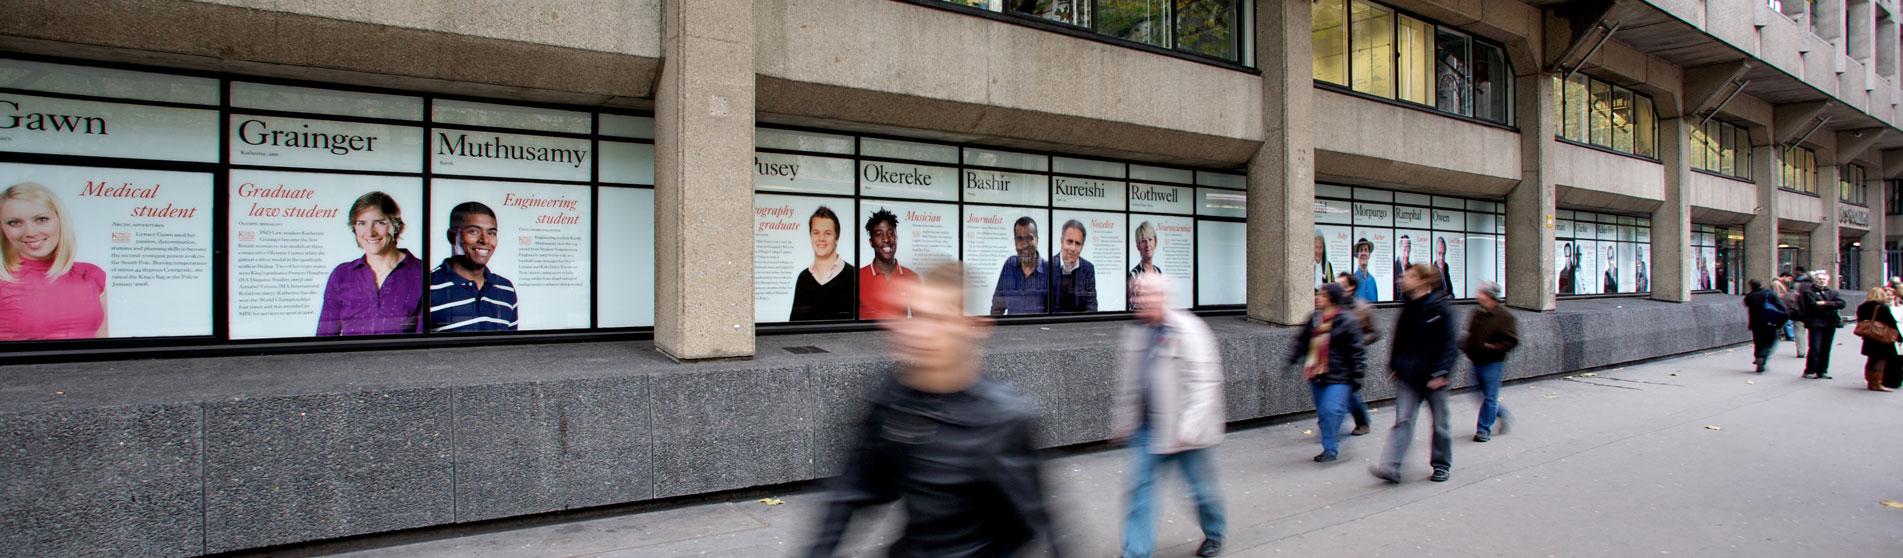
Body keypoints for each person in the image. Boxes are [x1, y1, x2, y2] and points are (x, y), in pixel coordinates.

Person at [807, 263, 1061, 558]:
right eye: (920, 316)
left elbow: (1036, 521)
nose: (924, 333)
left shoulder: (1003, 418)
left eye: (939, 318)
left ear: (973, 327)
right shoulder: (894, 401)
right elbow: (851, 493)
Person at [1114, 273, 1226, 558]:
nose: (1139, 301)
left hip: (1184, 432)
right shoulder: (1137, 332)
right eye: (1136, 295)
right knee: (1140, 492)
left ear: (1162, 297)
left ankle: (1214, 533)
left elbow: (1204, 384)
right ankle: (1136, 553)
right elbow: (1131, 382)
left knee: (1201, 490)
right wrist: (1125, 420)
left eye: (1146, 295)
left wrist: (1187, 428)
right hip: (1147, 429)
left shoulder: (1188, 329)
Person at [1370, 264, 1457, 484]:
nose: (1402, 279)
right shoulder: (1408, 308)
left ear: (1422, 281)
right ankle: (1391, 467)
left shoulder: (1440, 308)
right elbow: (1398, 341)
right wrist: (1395, 367)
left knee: (1440, 424)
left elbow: (1449, 344)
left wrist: (1442, 372)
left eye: (1408, 276)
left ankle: (1441, 465)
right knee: (1403, 421)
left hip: (1434, 377)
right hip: (1409, 376)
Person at [0, 182, 107, 340]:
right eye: (14, 223)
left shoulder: (91, 275)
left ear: (60, 219)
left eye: (41, 219)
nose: (30, 232)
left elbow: (104, 347)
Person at [318, 191, 424, 336]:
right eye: (362, 223)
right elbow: (325, 337)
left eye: (380, 223)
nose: (370, 233)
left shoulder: (422, 273)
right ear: (354, 228)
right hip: (350, 358)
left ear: (396, 225)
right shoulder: (341, 275)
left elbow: (422, 342)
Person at [1289, 283, 1365, 463]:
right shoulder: (1315, 318)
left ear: (1331, 298)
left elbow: (1357, 351)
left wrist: (1357, 375)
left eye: (1322, 295)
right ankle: (1330, 443)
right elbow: (1302, 341)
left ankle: (1330, 449)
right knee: (1324, 413)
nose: (1317, 297)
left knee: (1330, 410)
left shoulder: (1347, 320)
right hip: (1316, 374)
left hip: (1340, 375)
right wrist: (1292, 359)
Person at [429, 202, 518, 332]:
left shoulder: (505, 288)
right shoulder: (427, 287)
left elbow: (512, 348)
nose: (485, 240)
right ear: (452, 236)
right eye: (474, 231)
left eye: (491, 233)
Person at [1462, 281, 1518, 442]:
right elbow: (1471, 334)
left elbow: (1512, 340)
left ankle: (1483, 430)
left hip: (1493, 362)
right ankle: (1502, 414)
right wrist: (1466, 347)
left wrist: (1493, 347)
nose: (1477, 295)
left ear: (1488, 295)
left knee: (1490, 397)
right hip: (1476, 360)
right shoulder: (1477, 313)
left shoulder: (1505, 316)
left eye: (1480, 292)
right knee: (1479, 393)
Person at [789, 206, 855, 321]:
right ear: (810, 236)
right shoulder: (803, 278)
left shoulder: (854, 276)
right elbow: (794, 327)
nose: (821, 239)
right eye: (816, 233)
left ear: (837, 238)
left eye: (828, 233)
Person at [1333, 272, 1377, 436]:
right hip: (1335, 356)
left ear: (1351, 288)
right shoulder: (1334, 306)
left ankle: (1362, 421)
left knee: (1349, 392)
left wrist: (1359, 341)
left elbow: (1376, 332)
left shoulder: (1362, 307)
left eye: (1342, 285)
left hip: (1352, 357)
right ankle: (1330, 425)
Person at [858, 209, 918, 320]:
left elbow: (921, 324)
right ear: (871, 242)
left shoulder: (912, 278)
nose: (886, 239)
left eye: (891, 233)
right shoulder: (857, 278)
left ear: (897, 238)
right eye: (879, 234)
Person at [991, 216, 1050, 315]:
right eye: (1020, 239)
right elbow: (997, 308)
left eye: (1030, 238)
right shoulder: (1009, 266)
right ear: (1015, 241)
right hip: (1012, 330)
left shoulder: (1049, 270)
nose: (1025, 244)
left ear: (1037, 240)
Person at [1798, 270, 1846, 379]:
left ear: (1827, 281)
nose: (1821, 281)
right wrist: (1831, 305)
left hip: (1830, 323)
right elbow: (1813, 306)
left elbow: (1841, 303)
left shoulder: (1833, 292)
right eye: (1819, 279)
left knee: (1826, 348)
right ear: (1815, 280)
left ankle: (1822, 371)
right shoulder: (1808, 292)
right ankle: (1810, 370)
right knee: (1815, 347)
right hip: (1815, 323)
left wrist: (1825, 303)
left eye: (1823, 279)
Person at [1855, 286, 1899, 391]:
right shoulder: (1882, 307)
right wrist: (1899, 336)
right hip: (1881, 337)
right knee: (1881, 359)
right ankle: (1877, 383)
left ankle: (1870, 382)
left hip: (1869, 336)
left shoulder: (1862, 307)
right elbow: (1891, 322)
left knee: (1871, 359)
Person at [1743, 279, 1788, 374]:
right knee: (1770, 342)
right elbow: (1782, 308)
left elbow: (1746, 304)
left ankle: (1758, 357)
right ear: (1762, 284)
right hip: (1770, 323)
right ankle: (1762, 357)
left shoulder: (1750, 296)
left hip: (1755, 323)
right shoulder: (1770, 294)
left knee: (1758, 342)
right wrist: (1781, 322)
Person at [1051, 219, 1097, 313]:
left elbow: (1091, 307)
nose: (1073, 248)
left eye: (1077, 244)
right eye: (1069, 242)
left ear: (1082, 247)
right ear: (1061, 241)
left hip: (1079, 324)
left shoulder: (1088, 269)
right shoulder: (1048, 266)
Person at [1789, 267, 1812, 358]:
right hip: (1812, 313)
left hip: (1799, 311)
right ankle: (1814, 348)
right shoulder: (1814, 286)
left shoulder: (1796, 285)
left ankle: (1801, 351)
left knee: (1799, 332)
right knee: (1814, 332)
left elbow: (1792, 298)